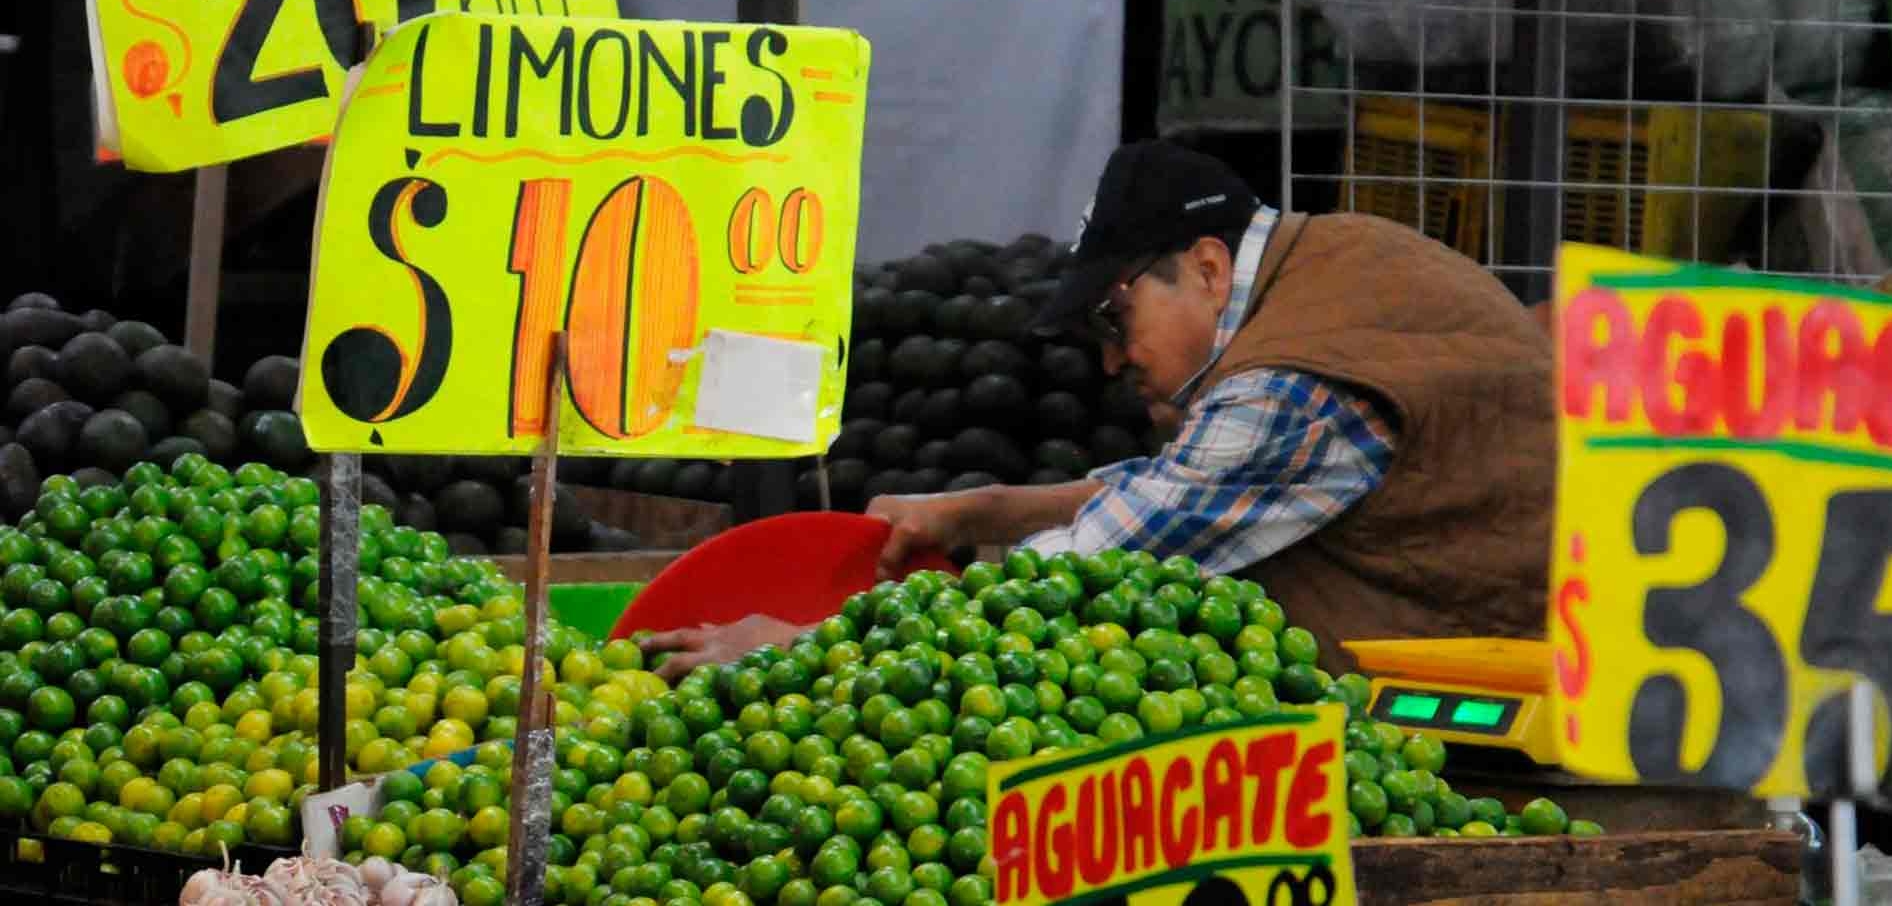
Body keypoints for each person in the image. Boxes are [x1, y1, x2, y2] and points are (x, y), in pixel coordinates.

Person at [641, 141, 1555, 678]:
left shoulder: (1292, 385)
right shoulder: (1337, 254)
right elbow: (1183, 486)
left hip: (1511, 720)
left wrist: (802, 645)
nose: (1114, 359)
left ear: (1205, 266)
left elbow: (1076, 580)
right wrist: (994, 508)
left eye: (1116, 320)